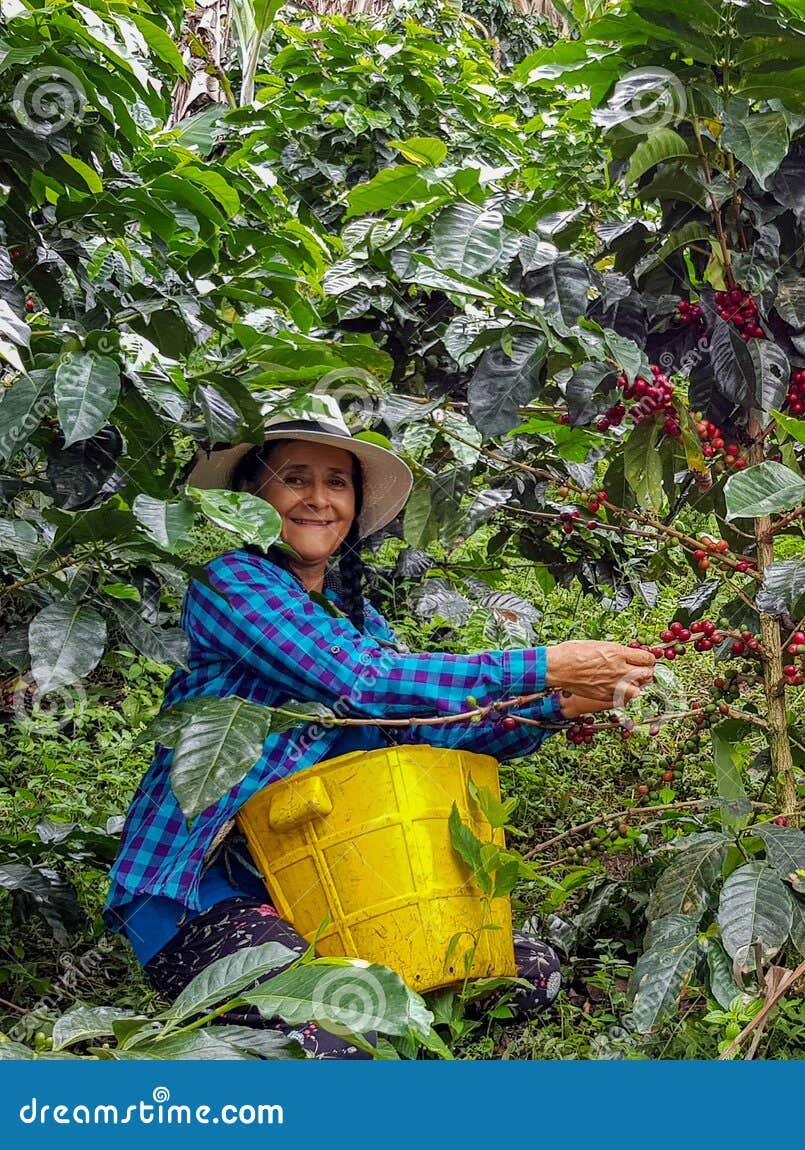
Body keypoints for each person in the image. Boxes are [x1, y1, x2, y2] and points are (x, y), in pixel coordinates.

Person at [105, 394, 655, 1058]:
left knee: (526, 973)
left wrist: (557, 705)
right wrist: (542, 664)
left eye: (336, 482)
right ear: (252, 495)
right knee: (342, 1024)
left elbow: (434, 732)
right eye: (295, 478)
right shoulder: (232, 585)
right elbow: (360, 681)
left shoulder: (359, 623)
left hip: (329, 879)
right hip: (205, 893)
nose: (317, 499)